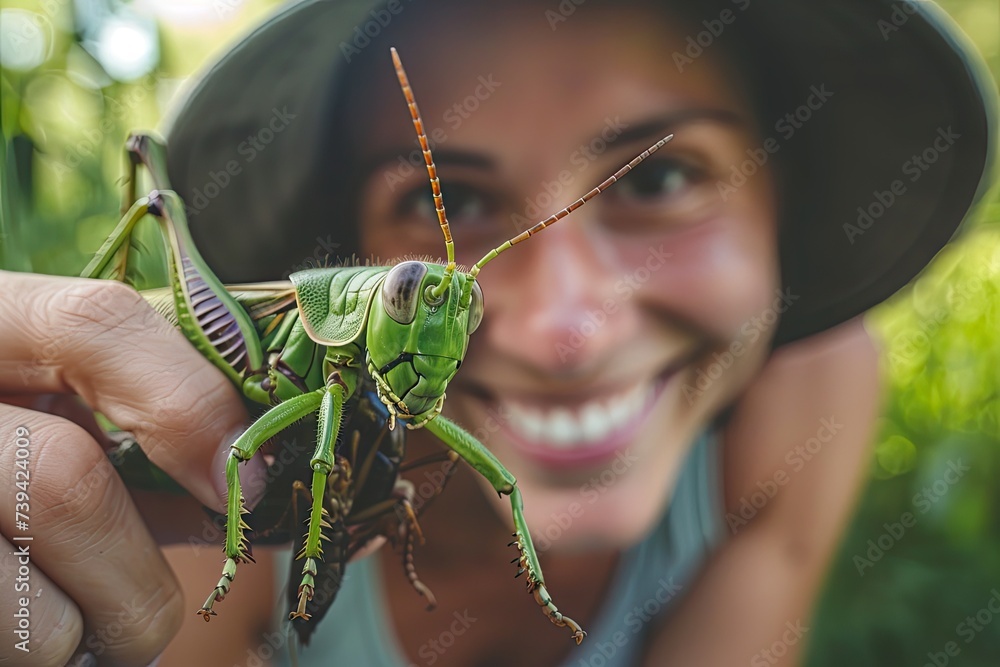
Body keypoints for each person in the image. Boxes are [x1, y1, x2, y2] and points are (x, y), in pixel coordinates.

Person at [0, 0, 993, 665]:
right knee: (157, 198)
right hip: (245, 370)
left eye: (658, 177)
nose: (565, 333)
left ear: (786, 199)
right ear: (351, 237)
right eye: (453, 199)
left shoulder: (804, 403)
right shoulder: (200, 478)